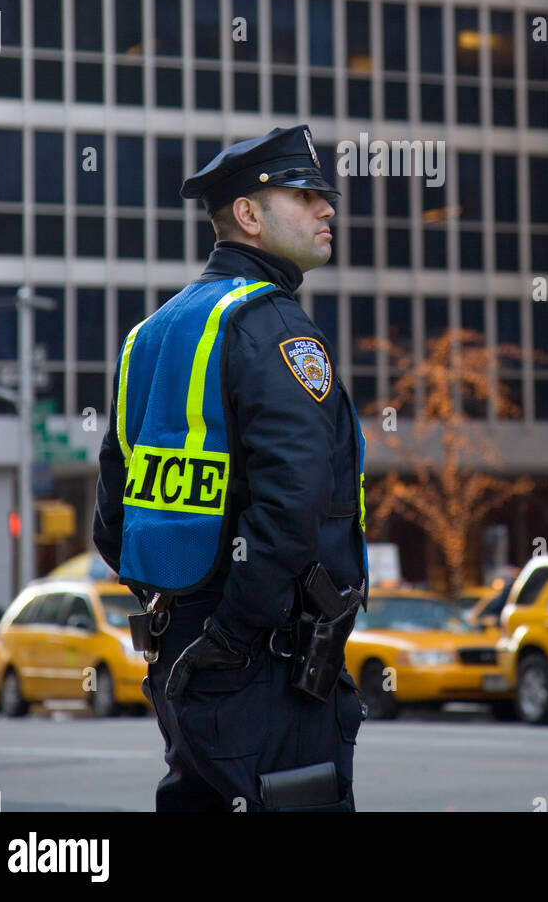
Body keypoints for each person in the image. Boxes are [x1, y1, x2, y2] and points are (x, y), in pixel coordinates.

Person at [93, 125, 369, 812]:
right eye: (306, 196)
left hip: (181, 660)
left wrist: (189, 626)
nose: (326, 209)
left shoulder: (149, 334)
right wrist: (236, 636)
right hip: (270, 672)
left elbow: (113, 519)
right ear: (249, 214)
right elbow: (290, 508)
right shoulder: (276, 329)